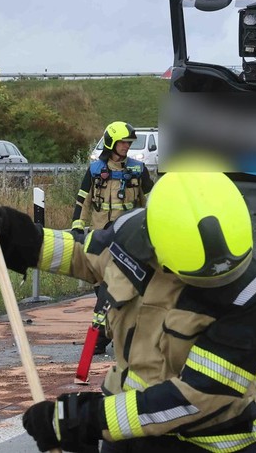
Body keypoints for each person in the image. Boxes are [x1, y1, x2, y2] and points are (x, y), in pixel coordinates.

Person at [0, 171, 256, 452]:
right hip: (129, 436)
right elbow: (86, 254)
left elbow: (195, 399)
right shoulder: (135, 234)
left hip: (208, 443)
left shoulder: (250, 298)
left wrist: (85, 419)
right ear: (159, 247)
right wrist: (19, 238)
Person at [73, 121, 155, 355]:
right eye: (122, 142)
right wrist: (77, 226)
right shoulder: (95, 170)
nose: (126, 146)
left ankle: (101, 341)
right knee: (101, 288)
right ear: (111, 143)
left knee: (119, 289)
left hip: (128, 239)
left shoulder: (138, 170)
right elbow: (83, 200)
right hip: (101, 237)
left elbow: (152, 201)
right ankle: (108, 335)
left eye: (128, 143)